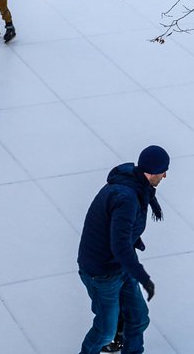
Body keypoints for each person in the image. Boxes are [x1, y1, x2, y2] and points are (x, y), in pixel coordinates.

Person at [77, 145, 169, 354]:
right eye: (163, 171)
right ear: (152, 171)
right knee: (104, 332)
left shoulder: (135, 185)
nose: (165, 175)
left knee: (138, 319)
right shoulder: (126, 197)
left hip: (119, 265)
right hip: (102, 272)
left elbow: (123, 235)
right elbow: (118, 244)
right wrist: (143, 277)